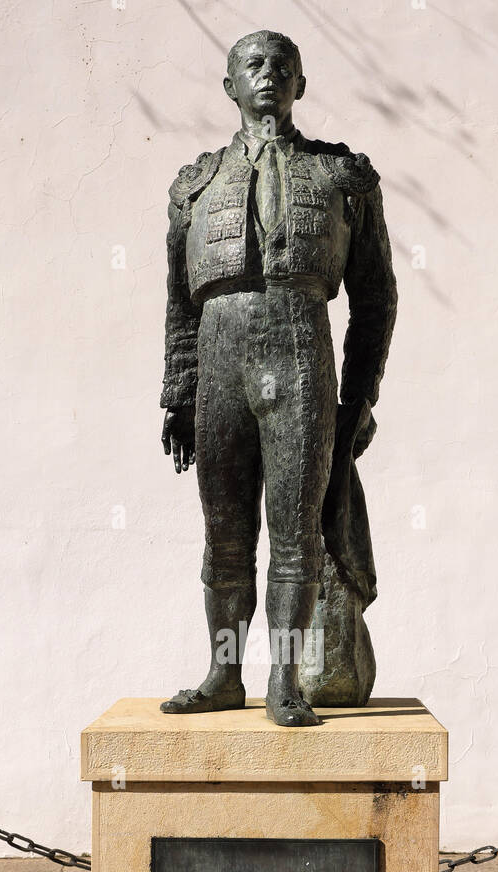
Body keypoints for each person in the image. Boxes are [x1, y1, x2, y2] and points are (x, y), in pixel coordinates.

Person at [160, 29, 396, 727]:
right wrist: (178, 390)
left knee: (295, 536)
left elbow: (376, 298)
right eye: (253, 65)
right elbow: (179, 302)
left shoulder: (340, 176)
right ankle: (223, 672)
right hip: (221, 358)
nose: (269, 75)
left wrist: (359, 397)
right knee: (225, 536)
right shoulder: (195, 185)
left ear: (301, 84)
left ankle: (284, 680)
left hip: (298, 356)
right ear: (229, 86)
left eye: (282, 66)